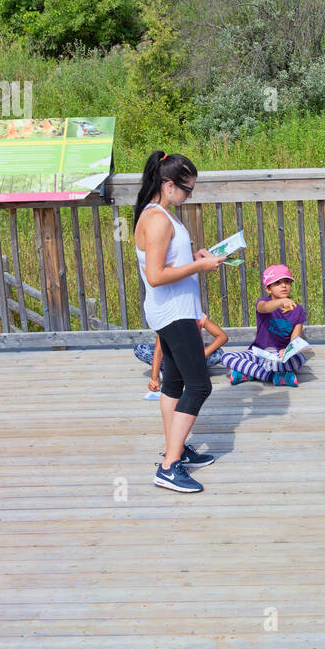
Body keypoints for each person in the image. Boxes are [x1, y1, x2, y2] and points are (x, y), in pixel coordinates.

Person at [133, 150, 228, 493]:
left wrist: (194, 256)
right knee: (199, 385)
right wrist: (200, 267)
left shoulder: (157, 213)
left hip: (170, 310)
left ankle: (177, 450)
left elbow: (167, 262)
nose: (190, 196)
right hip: (174, 313)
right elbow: (156, 276)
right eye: (187, 190)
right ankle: (169, 466)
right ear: (169, 185)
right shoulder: (158, 220)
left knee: (173, 383)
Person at [219, 265, 309, 386]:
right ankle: (272, 376)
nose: (283, 285)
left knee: (300, 359)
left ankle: (249, 372)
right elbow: (264, 308)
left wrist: (288, 351)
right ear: (268, 289)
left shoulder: (298, 310)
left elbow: (295, 339)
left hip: (279, 356)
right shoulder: (263, 303)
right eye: (277, 282)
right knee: (226, 357)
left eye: (287, 282)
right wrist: (280, 302)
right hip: (258, 353)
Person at [148, 316, 228, 394]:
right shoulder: (167, 316)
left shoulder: (197, 314)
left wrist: (199, 357)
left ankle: (177, 371)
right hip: (173, 359)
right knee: (140, 349)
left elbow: (222, 336)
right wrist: (154, 378)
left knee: (218, 354)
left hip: (193, 358)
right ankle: (172, 370)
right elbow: (159, 350)